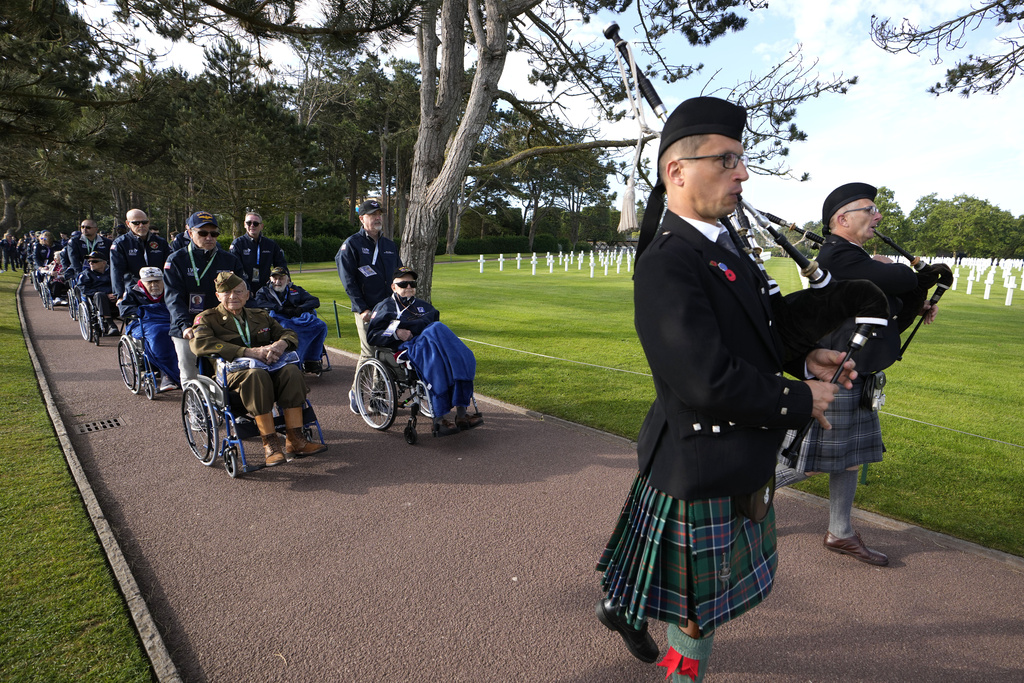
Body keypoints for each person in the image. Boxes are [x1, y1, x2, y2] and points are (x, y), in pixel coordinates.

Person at [593, 97, 856, 682]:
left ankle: (622, 607)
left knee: (695, 601)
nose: (743, 173)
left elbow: (751, 331)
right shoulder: (667, 260)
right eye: (727, 160)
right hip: (702, 457)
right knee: (697, 612)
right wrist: (800, 399)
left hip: (732, 452)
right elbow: (704, 378)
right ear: (677, 171)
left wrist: (802, 356)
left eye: (741, 159)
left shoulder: (720, 242)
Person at [774, 183, 949, 567]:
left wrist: (917, 304)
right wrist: (899, 271)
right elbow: (904, 280)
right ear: (842, 219)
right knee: (805, 460)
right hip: (837, 371)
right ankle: (737, 503)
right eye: (869, 209)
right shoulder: (838, 257)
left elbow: (891, 312)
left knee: (850, 458)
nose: (877, 215)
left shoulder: (857, 261)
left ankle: (840, 532)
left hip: (860, 370)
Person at [190, 272, 327, 466]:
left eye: (238, 292)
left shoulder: (260, 316)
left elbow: (288, 333)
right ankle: (270, 444)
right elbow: (200, 344)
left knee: (292, 372)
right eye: (226, 292)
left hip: (268, 368)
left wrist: (281, 344)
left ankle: (296, 440)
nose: (233, 296)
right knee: (256, 375)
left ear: (247, 295)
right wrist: (248, 352)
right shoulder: (206, 318)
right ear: (218, 296)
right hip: (231, 375)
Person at [366, 266, 483, 436]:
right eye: (403, 284)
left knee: (459, 358)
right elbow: (373, 336)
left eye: (412, 284)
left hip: (432, 344)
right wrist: (397, 333)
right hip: (407, 347)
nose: (408, 287)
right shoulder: (385, 307)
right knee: (436, 344)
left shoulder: (424, 306)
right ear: (393, 287)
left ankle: (462, 414)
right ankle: (439, 419)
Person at [336, 199, 402, 414]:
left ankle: (377, 397)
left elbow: (399, 275)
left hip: (389, 309)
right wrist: (361, 308)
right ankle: (356, 393)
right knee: (369, 351)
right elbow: (348, 280)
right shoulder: (352, 244)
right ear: (362, 219)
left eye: (379, 214)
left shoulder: (389, 245)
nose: (377, 218)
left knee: (385, 352)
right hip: (367, 310)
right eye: (372, 214)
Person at [164, 211, 246, 385]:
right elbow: (173, 298)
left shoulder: (229, 260)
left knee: (229, 369)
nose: (209, 237)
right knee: (189, 370)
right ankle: (192, 401)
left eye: (214, 234)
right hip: (187, 324)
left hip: (221, 323)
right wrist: (184, 325)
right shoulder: (176, 260)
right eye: (203, 233)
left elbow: (242, 292)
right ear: (190, 232)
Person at [253, 266, 328, 373]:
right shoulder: (264, 291)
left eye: (281, 278)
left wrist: (300, 308)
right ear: (270, 279)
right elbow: (258, 303)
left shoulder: (296, 290)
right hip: (277, 319)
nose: (277, 281)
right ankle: (296, 360)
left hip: (298, 318)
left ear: (288, 280)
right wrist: (280, 308)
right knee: (288, 328)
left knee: (321, 326)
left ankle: (312, 360)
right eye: (275, 278)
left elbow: (314, 301)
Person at [119, 266, 180, 392]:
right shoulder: (132, 291)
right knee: (159, 334)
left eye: (157, 281)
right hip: (143, 323)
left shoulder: (170, 289)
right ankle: (167, 373)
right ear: (142, 282)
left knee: (180, 330)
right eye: (149, 282)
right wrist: (146, 310)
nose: (154, 285)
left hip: (168, 320)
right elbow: (124, 309)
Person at [109, 209, 171, 299]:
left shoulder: (161, 242)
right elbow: (116, 271)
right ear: (128, 224)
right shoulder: (120, 243)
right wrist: (119, 295)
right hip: (133, 290)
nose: (141, 225)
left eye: (144, 222)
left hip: (159, 289)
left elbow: (169, 268)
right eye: (136, 223)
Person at [230, 212, 287, 292]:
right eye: (249, 223)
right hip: (244, 289)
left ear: (261, 226)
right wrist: (245, 288)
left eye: (255, 223)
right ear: (244, 224)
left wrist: (285, 282)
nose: (252, 225)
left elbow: (281, 265)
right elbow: (235, 269)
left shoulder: (271, 244)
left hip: (266, 288)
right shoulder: (237, 244)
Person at [76, 251, 119, 336]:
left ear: (104, 262)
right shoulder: (86, 274)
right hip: (97, 300)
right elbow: (84, 289)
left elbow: (120, 283)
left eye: (94, 261)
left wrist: (117, 294)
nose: (91, 263)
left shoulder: (113, 272)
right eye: (89, 261)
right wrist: (106, 294)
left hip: (115, 296)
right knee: (100, 295)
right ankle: (110, 324)